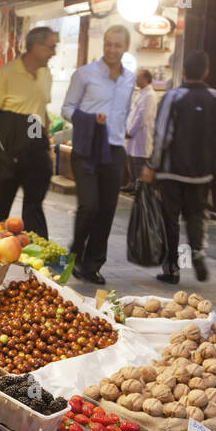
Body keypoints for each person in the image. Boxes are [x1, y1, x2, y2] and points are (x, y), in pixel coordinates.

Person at [142, 51, 216, 284]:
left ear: (183, 72)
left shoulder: (174, 97)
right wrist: (209, 152)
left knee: (169, 220)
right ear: (206, 72)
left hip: (171, 172)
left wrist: (152, 165)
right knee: (196, 215)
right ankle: (196, 252)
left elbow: (162, 135)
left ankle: (172, 269)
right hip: (202, 173)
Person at [60, 24, 136, 284]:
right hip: (87, 148)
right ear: (103, 44)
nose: (112, 49)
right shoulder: (85, 74)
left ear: (125, 47)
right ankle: (76, 254)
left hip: (114, 149)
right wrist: (91, 119)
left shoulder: (130, 78)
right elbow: (67, 109)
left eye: (117, 44)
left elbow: (124, 112)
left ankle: (92, 265)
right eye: (108, 43)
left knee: (107, 209)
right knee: (89, 205)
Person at [0, 27, 57, 237]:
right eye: (51, 47)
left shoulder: (46, 74)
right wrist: (13, 128)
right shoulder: (7, 72)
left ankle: (37, 256)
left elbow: (41, 113)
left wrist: (46, 145)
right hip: (9, 148)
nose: (54, 52)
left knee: (34, 206)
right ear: (36, 47)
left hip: (35, 141)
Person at [123, 69, 157, 193]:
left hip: (141, 134)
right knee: (131, 160)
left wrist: (130, 131)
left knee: (139, 162)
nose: (136, 80)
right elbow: (134, 113)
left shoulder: (150, 95)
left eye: (138, 77)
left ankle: (140, 188)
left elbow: (142, 116)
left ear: (146, 79)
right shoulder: (141, 93)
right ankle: (132, 184)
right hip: (133, 133)